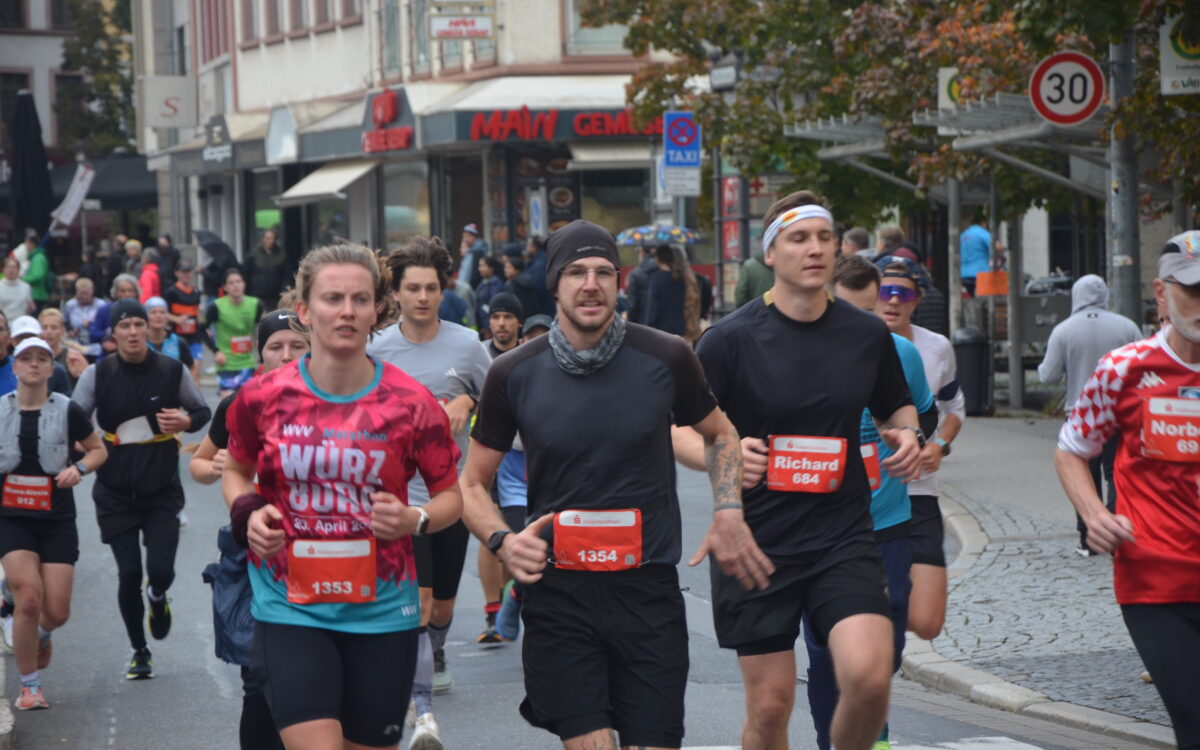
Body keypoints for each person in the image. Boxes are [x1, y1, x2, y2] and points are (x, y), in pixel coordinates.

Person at [461, 219, 759, 750]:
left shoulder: (666, 356)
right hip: (560, 595)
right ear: (554, 284)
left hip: (646, 593)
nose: (590, 284)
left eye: (603, 271)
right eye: (575, 272)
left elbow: (721, 435)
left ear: (620, 282)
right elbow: (471, 485)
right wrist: (504, 542)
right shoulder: (512, 373)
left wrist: (728, 510)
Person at [676, 193, 924, 750]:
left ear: (838, 248)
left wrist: (909, 434)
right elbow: (679, 432)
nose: (814, 249)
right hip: (756, 540)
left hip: (841, 534)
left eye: (824, 238)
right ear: (771, 253)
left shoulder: (865, 335)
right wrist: (731, 457)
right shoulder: (729, 340)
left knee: (867, 676)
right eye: (798, 238)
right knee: (769, 709)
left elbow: (897, 406)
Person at [222, 243, 463, 750]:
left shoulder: (411, 403)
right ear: (307, 310)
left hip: (382, 611)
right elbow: (237, 472)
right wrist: (248, 513)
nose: (347, 311)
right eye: (333, 298)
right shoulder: (261, 398)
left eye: (360, 298)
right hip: (291, 606)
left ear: (377, 308)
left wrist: (413, 519)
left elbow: (450, 499)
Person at [1054, 231, 1200, 750]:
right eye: (1193, 291)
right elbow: (1072, 448)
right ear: (1161, 295)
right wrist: (1094, 513)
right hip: (1156, 580)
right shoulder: (1124, 369)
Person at [804, 253, 938, 750]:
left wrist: (915, 441)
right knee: (826, 655)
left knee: (885, 643)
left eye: (871, 311)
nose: (864, 326)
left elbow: (926, 415)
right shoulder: (803, 354)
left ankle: (869, 730)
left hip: (887, 524)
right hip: (819, 529)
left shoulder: (897, 353)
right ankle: (837, 741)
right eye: (850, 312)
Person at [367, 235, 491, 749]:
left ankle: (434, 649)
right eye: (412, 288)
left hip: (451, 495)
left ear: (443, 291)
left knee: (442, 607)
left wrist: (467, 400)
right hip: (399, 499)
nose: (422, 297)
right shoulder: (376, 348)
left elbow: (499, 404)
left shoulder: (466, 345)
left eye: (432, 288)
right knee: (416, 603)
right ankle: (421, 710)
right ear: (395, 293)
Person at [71, 298, 211, 679]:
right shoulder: (97, 375)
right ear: (113, 334)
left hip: (161, 490)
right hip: (115, 491)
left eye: (138, 324)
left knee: (160, 570)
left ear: (148, 328)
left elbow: (202, 412)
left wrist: (184, 420)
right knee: (129, 572)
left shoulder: (170, 370)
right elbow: (73, 417)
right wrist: (80, 448)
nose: (132, 332)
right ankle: (139, 649)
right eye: (124, 326)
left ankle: (158, 595)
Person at [191, 309, 309, 750]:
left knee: (310, 675)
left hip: (319, 551)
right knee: (258, 675)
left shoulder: (335, 403)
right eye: (276, 347)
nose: (286, 355)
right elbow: (200, 464)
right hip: (255, 553)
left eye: (297, 346)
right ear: (261, 354)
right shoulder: (240, 404)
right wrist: (219, 465)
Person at [0, 336, 106, 710]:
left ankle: (42, 634)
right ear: (14, 367)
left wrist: (77, 469)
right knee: (28, 598)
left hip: (57, 517)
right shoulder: (0, 409)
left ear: (51, 368)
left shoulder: (68, 409)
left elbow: (98, 450)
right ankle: (30, 685)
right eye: (25, 358)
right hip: (12, 518)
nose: (32, 365)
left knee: (57, 611)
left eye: (41, 359)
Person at [873, 254, 966, 640]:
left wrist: (939, 445)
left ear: (916, 299)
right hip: (869, 496)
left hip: (918, 492)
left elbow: (954, 408)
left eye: (903, 292)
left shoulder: (936, 348)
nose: (892, 300)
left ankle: (880, 626)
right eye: (884, 291)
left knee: (926, 623)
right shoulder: (847, 343)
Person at [1038, 274, 1142, 556]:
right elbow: (1143, 369)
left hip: (1078, 414)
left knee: (1084, 473)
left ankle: (1088, 536)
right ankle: (1115, 526)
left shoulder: (1063, 330)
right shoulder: (1127, 326)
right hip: (1120, 413)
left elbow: (1047, 376)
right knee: (1116, 472)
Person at [473, 291, 523, 644]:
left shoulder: (528, 356)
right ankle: (494, 611)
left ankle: (513, 596)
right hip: (487, 455)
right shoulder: (479, 357)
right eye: (496, 317)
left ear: (518, 323)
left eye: (508, 317)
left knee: (518, 532)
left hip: (524, 458)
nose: (501, 324)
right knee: (489, 529)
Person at [205, 268, 264, 397]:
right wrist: (216, 351)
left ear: (244, 283)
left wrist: (261, 351)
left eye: (238, 281)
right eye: (231, 283)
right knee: (229, 406)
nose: (235, 285)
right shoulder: (216, 306)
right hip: (227, 363)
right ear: (225, 287)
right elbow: (201, 329)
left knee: (248, 406)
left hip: (248, 363)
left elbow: (262, 328)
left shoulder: (256, 304)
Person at [644, 244, 701, 342]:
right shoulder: (680, 277)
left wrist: (648, 328)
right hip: (680, 329)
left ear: (658, 258)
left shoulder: (656, 278)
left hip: (661, 332)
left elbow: (652, 307)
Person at [161, 259, 204, 381]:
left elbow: (197, 312)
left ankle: (195, 399)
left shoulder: (196, 292)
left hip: (194, 337)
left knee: (195, 370)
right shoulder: (171, 292)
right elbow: (162, 313)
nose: (186, 275)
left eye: (188, 271)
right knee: (176, 372)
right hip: (177, 337)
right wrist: (176, 319)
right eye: (183, 271)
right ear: (176, 273)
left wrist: (203, 326)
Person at [10, 317, 72, 397]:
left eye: (31, 337)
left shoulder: (58, 371)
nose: (26, 342)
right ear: (12, 341)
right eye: (20, 338)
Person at [36, 309, 88, 388]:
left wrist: (78, 377)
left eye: (54, 327)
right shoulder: (32, 357)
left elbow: (89, 386)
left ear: (62, 331)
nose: (49, 332)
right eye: (44, 327)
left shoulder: (73, 357)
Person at [144, 297, 195, 373]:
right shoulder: (140, 342)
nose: (158, 316)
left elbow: (190, 367)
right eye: (153, 312)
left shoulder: (178, 342)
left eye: (162, 312)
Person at [243, 229, 289, 311]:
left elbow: (285, 275)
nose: (270, 241)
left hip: (275, 296)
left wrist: (284, 291)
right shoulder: (253, 255)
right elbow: (246, 275)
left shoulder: (281, 255)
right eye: (268, 238)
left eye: (272, 238)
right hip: (256, 294)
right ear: (263, 239)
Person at [63, 278, 107, 361]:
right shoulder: (70, 305)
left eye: (86, 293)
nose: (84, 296)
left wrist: (92, 325)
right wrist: (70, 332)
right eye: (81, 293)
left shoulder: (101, 305)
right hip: (75, 345)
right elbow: (65, 323)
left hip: (96, 346)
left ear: (92, 291)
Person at [623, 245, 658, 324]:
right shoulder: (666, 270)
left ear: (642, 252)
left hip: (643, 322)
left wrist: (629, 322)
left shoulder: (636, 274)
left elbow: (633, 304)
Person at [960, 212, 991, 297]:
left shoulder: (963, 235)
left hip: (964, 275)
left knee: (968, 300)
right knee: (982, 302)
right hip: (980, 274)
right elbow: (995, 246)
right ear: (983, 223)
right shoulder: (981, 232)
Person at [20, 232, 50, 315]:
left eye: (26, 243)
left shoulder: (38, 258)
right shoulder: (35, 257)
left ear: (31, 244)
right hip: (34, 294)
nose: (25, 245)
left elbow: (37, 275)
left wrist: (22, 279)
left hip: (36, 294)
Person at [474, 256, 505, 332]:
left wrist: (487, 327)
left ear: (491, 268)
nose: (479, 269)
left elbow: (492, 307)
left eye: (482, 266)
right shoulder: (482, 283)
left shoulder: (496, 284)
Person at [0, 256, 34, 323]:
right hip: (2, 325)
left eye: (13, 267)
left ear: (18, 270)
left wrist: (31, 307)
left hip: (20, 323)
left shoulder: (26, 287)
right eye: (8, 267)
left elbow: (30, 307)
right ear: (3, 269)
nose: (11, 270)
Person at [458, 223, 488, 290]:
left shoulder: (476, 252)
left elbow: (475, 274)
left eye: (466, 236)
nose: (464, 239)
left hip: (472, 289)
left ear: (472, 236)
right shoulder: (471, 250)